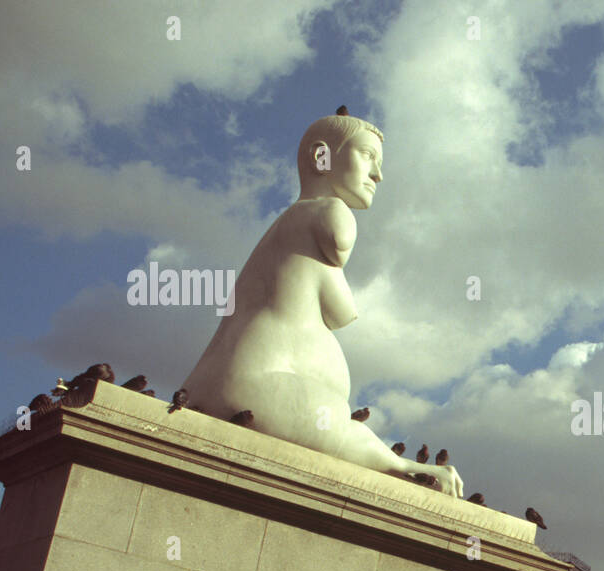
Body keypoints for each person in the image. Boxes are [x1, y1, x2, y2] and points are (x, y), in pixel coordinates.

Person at [180, 109, 462, 495]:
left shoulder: (284, 229)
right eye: (368, 156)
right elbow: (344, 301)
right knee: (345, 430)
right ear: (322, 158)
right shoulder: (330, 212)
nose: (378, 175)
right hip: (257, 388)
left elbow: (333, 307)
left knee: (346, 428)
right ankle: (407, 470)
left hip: (213, 383)